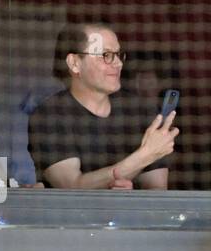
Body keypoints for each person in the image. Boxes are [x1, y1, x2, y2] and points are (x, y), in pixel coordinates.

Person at [27, 21, 176, 189]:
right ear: (74, 63)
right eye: (106, 55)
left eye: (118, 55)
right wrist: (145, 155)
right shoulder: (50, 115)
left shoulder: (139, 111)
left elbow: (156, 192)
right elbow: (71, 187)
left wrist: (131, 195)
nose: (118, 63)